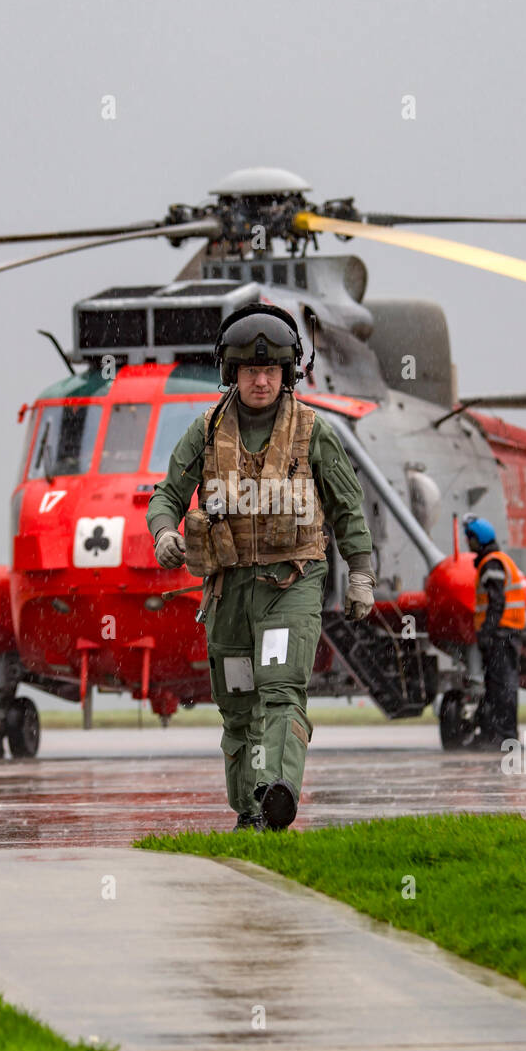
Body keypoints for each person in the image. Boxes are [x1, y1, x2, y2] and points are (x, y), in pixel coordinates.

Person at [147, 302, 375, 831]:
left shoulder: (313, 432)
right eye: (250, 370)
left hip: (290, 585)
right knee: (239, 705)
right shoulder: (205, 432)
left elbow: (346, 506)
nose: (260, 380)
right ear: (233, 373)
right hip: (229, 591)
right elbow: (167, 495)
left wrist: (360, 573)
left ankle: (278, 791)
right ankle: (250, 807)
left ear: (286, 372)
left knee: (280, 687)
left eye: (270, 369)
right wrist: (163, 534)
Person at [462, 515, 524, 750]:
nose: (468, 543)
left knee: (503, 687)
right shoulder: (494, 561)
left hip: (502, 634)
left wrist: (487, 633)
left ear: (479, 539)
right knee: (496, 686)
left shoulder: (493, 563)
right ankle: (492, 735)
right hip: (503, 633)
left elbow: (496, 602)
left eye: (470, 538)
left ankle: (505, 737)